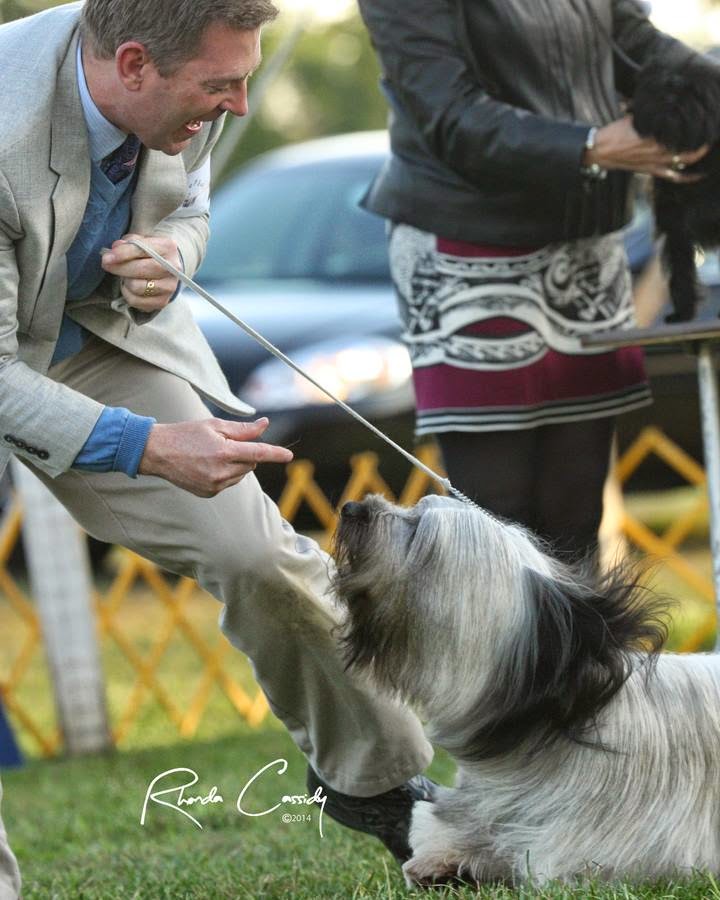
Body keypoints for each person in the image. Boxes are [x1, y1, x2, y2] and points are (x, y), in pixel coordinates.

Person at [0, 2, 435, 895]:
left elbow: (190, 205)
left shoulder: (187, 80)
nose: (238, 104)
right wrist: (148, 446)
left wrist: (171, 253)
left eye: (244, 80)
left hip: (85, 342)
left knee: (256, 553)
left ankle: (382, 787)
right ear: (132, 65)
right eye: (221, 86)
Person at [357, 0, 713, 562]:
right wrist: (590, 146)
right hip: (464, 243)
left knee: (578, 515)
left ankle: (579, 627)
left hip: (586, 237)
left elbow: (633, 39)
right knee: (495, 523)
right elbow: (448, 112)